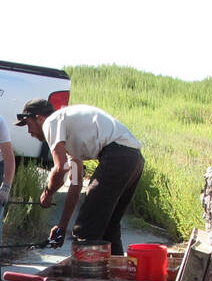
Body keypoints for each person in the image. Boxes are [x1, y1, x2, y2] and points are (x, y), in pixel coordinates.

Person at [17, 99, 144, 256]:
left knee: (86, 228)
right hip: (133, 158)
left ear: (39, 118)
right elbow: (75, 186)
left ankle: (84, 276)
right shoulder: (71, 136)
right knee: (108, 226)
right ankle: (117, 275)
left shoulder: (52, 122)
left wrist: (48, 193)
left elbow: (60, 168)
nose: (29, 132)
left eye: (28, 124)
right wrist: (62, 227)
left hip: (117, 156)